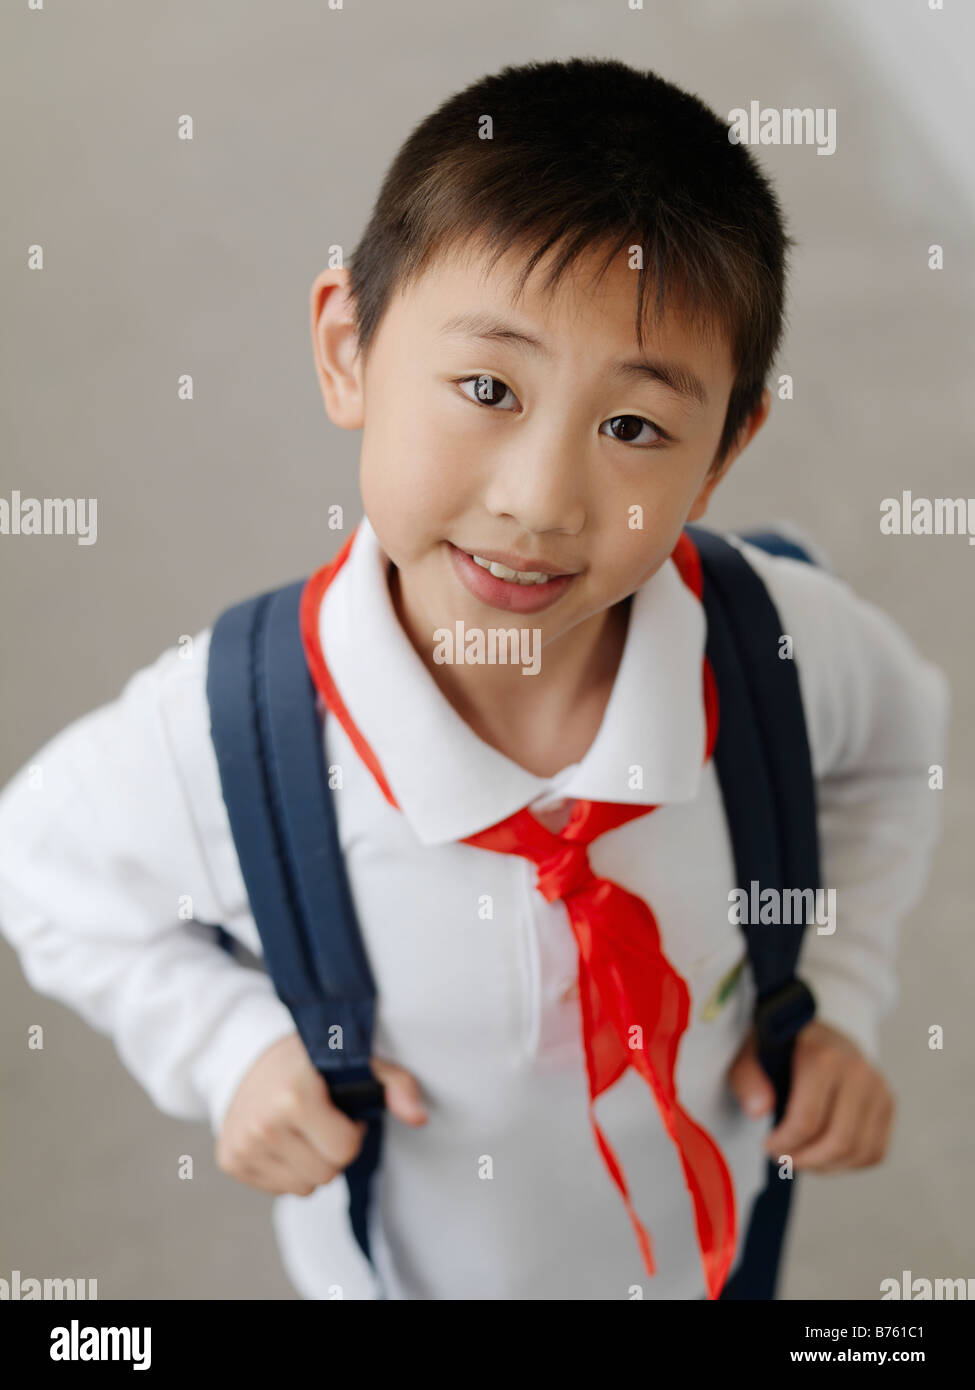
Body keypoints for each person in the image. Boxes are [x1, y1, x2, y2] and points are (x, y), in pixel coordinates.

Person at [0, 58, 948, 1300]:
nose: (539, 501)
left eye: (635, 427)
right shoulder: (230, 734)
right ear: (348, 347)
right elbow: (38, 863)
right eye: (488, 388)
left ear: (724, 453)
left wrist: (836, 990)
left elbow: (896, 744)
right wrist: (228, 1047)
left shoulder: (778, 650)